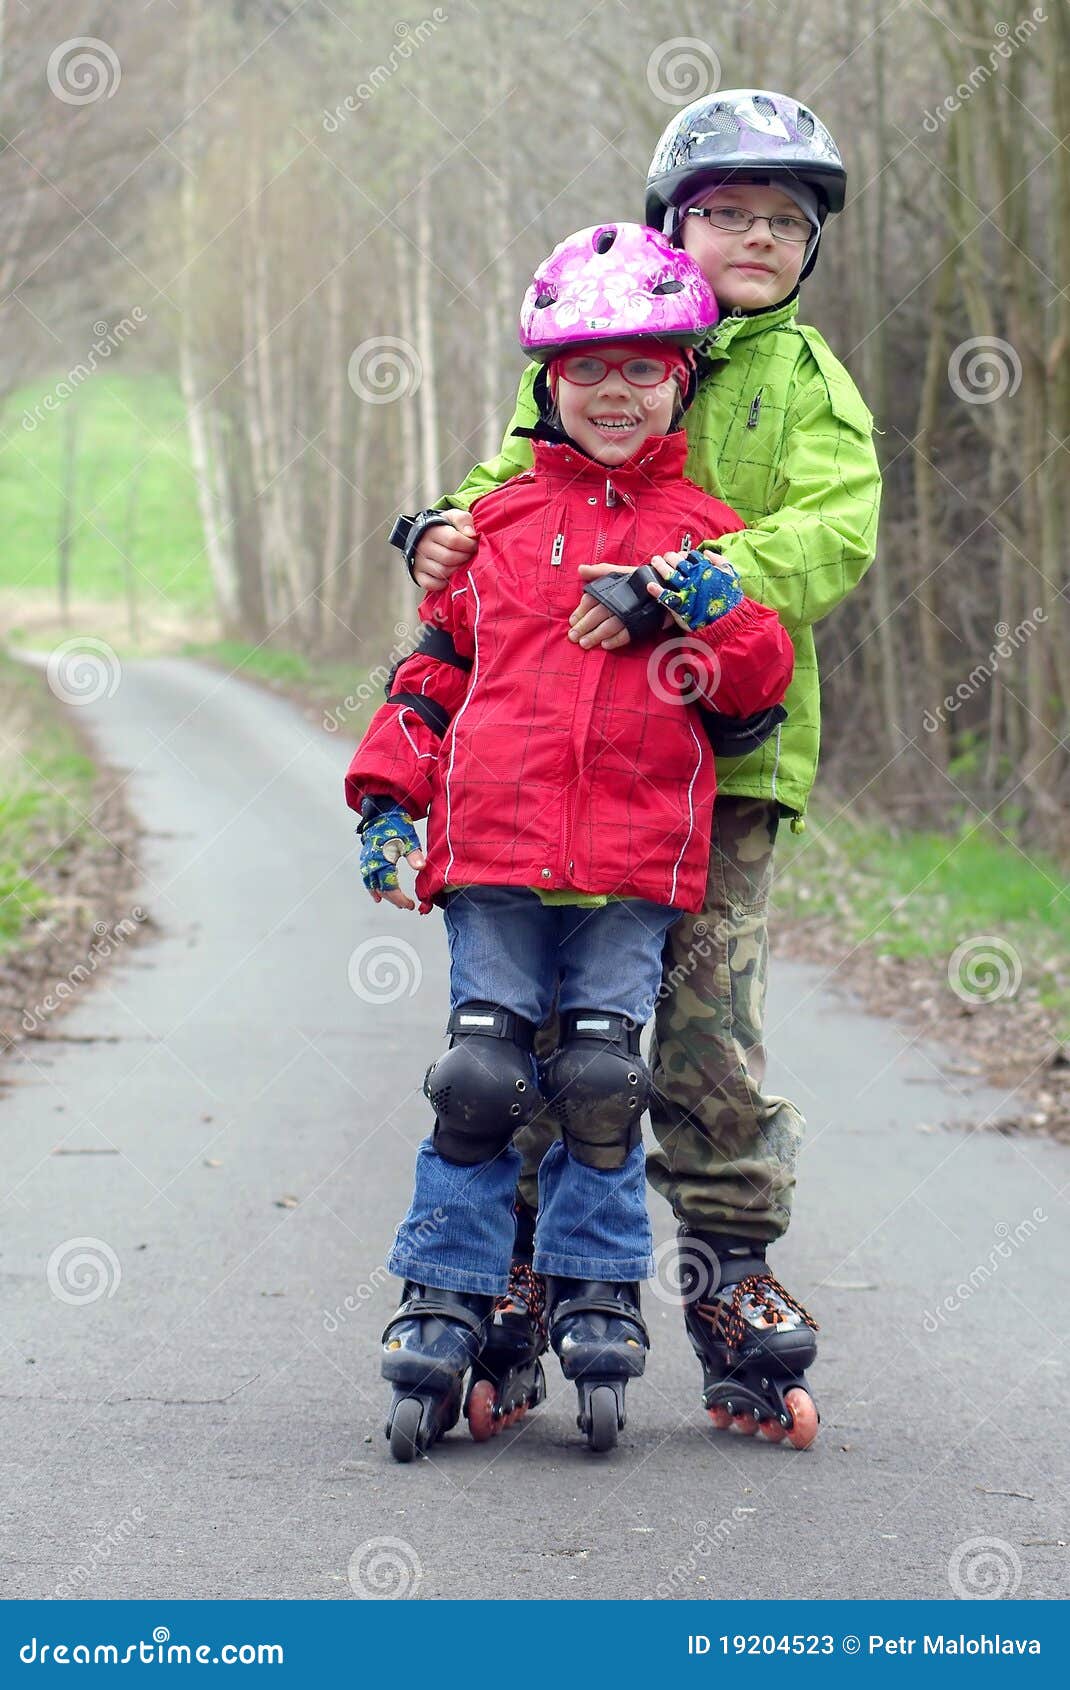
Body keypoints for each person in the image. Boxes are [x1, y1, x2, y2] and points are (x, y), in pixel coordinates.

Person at [393, 90, 882, 1450]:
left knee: (704, 1033)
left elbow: (837, 531)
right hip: (561, 765)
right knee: (551, 1039)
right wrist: (444, 529)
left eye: (784, 222)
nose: (755, 238)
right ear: (674, 220)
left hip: (724, 756)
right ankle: (513, 1265)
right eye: (726, 212)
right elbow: (509, 482)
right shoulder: (595, 329)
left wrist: (703, 577)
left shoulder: (805, 384)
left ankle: (725, 1275)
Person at [346, 223, 794, 1461]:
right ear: (547, 384)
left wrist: (708, 599)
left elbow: (751, 695)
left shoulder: (704, 532)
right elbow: (433, 674)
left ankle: (594, 1286)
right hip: (491, 851)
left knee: (603, 1083)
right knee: (480, 1080)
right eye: (587, 368)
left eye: (642, 368)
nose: (613, 389)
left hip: (632, 864)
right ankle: (447, 1287)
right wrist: (388, 799)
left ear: (680, 382)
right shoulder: (488, 527)